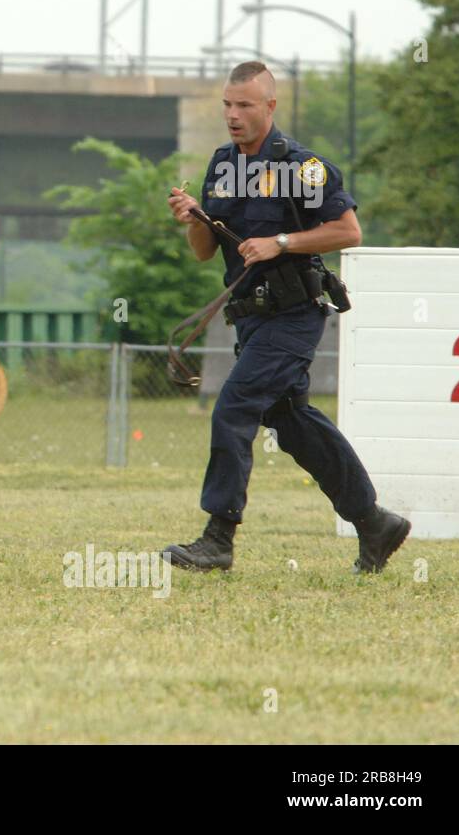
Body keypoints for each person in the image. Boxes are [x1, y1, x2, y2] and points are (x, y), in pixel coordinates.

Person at [164, 60, 410, 573]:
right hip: (251, 318)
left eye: (245, 105)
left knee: (234, 407)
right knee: (292, 421)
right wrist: (194, 218)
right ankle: (374, 522)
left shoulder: (304, 167)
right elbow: (204, 253)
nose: (233, 115)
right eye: (228, 105)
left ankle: (218, 538)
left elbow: (347, 232)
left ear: (270, 107)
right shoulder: (223, 166)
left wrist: (282, 242)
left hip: (295, 315)